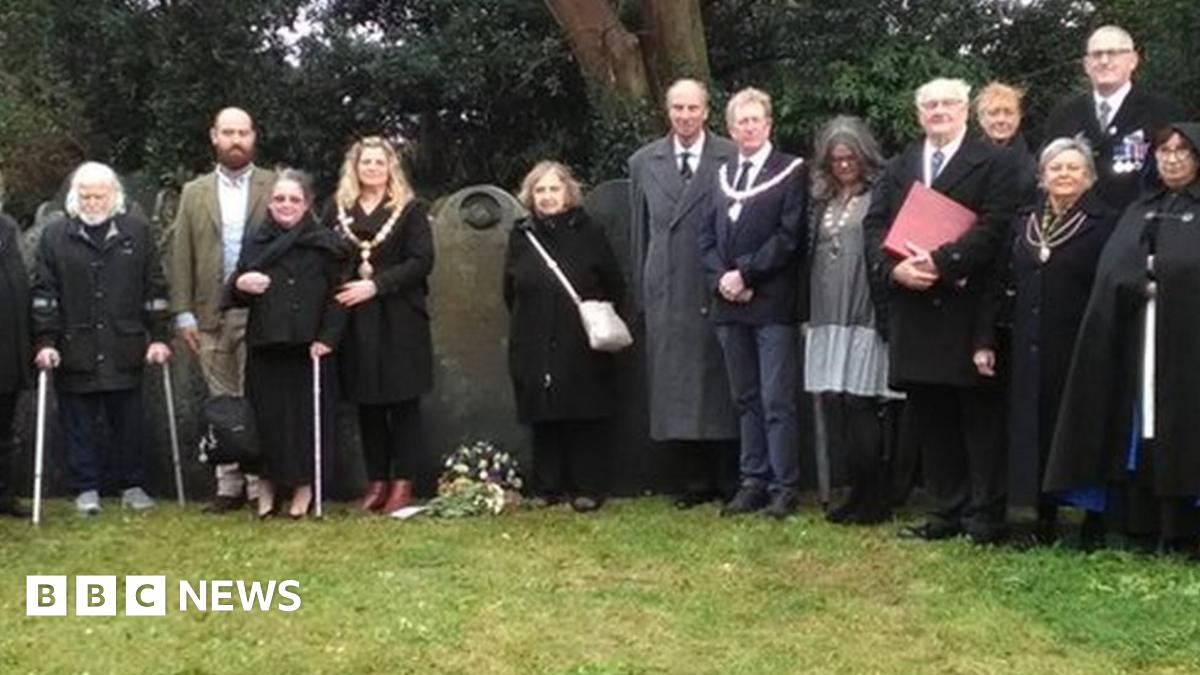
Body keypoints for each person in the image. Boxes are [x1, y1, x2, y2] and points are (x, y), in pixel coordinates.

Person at [862, 78, 1017, 544]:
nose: (939, 111)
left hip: (970, 310)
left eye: (948, 103)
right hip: (915, 309)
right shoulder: (898, 167)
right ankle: (945, 511)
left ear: (966, 110)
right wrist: (896, 271)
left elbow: (997, 227)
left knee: (979, 417)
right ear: (918, 114)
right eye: (929, 105)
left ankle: (983, 516)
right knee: (932, 417)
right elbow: (875, 225)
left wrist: (942, 262)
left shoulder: (996, 163)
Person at [1044, 123, 1200, 555]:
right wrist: (1137, 281)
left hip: (1187, 344)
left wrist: (1170, 280)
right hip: (1137, 338)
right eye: (1165, 151)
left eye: (1182, 151)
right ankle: (1138, 523)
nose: (1172, 159)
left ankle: (1185, 527)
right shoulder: (1139, 209)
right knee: (1139, 424)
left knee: (1183, 424)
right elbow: (1112, 269)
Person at [31, 162, 171, 515]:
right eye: (85, 195)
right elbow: (44, 294)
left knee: (129, 421)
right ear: (75, 197)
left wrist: (158, 335)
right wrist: (46, 341)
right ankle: (85, 488)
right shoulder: (55, 236)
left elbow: (154, 289)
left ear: (114, 197)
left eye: (99, 195)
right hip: (74, 345)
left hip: (124, 344)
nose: (92, 202)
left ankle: (133, 485)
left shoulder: (136, 233)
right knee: (77, 422)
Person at [628, 78, 739, 509]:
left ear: (707, 111)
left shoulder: (730, 155)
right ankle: (693, 481)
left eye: (693, 108)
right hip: (668, 286)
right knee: (675, 385)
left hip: (713, 281)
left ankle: (728, 476)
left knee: (720, 381)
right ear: (667, 111)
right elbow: (640, 233)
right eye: (677, 108)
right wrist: (643, 294)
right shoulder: (643, 162)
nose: (685, 116)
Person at [698, 87, 808, 519]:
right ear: (730, 128)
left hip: (771, 304)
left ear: (768, 125)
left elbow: (789, 236)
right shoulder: (722, 174)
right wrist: (722, 279)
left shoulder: (789, 170)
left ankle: (784, 486)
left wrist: (745, 273)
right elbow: (706, 237)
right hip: (729, 305)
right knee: (744, 398)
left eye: (755, 120)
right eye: (740, 121)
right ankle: (753, 481)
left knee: (776, 398)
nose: (748, 127)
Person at [1003, 137, 1118, 544]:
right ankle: (1041, 516)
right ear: (1042, 176)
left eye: (1073, 168)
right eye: (1056, 168)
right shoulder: (1024, 220)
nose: (1064, 174)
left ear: (1088, 177)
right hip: (1032, 343)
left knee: (1082, 427)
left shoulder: (1105, 223)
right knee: (1037, 429)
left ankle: (1093, 522)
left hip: (1081, 343)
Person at [167, 106, 275, 513]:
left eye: (243, 132)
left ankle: (255, 483)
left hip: (259, 313)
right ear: (214, 136)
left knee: (255, 398)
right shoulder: (195, 192)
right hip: (208, 315)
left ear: (253, 137)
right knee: (222, 401)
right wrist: (182, 312)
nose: (235, 140)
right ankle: (226, 484)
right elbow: (181, 255)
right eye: (227, 132)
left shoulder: (273, 185)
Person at [503, 161, 625, 512]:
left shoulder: (590, 231)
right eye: (540, 190)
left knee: (582, 411)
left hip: (580, 336)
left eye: (554, 189)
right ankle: (547, 486)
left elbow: (613, 282)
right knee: (544, 412)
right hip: (534, 334)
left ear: (567, 192)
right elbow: (509, 288)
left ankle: (587, 487)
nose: (547, 197)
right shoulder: (522, 234)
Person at [231, 170, 349, 520]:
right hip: (267, 344)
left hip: (310, 347)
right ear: (270, 204)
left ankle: (303, 490)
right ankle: (267, 489)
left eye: (294, 199)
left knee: (305, 423)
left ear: (307, 205)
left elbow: (338, 296)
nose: (286, 205)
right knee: (267, 421)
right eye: (280, 199)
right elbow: (235, 288)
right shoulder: (256, 241)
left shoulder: (327, 244)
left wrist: (328, 338)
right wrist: (242, 284)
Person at [325, 137, 434, 514]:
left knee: (402, 404)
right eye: (365, 162)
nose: (372, 168)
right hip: (357, 322)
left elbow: (422, 260)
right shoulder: (338, 210)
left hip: (400, 318)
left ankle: (403, 483)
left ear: (391, 168)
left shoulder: (410, 210)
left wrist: (376, 285)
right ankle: (377, 482)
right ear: (354, 168)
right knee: (367, 404)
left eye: (379, 162)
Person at [804, 115, 900, 525]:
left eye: (850, 157)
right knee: (837, 404)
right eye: (836, 158)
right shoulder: (820, 199)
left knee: (862, 405)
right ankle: (853, 493)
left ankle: (874, 497)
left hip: (864, 309)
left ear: (864, 157)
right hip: (826, 313)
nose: (844, 165)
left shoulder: (881, 195)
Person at [1043, 25, 1185, 210]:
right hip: (1078, 228)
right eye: (1096, 54)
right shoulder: (1063, 114)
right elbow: (1047, 173)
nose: (1104, 60)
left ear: (1133, 60)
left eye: (1113, 53)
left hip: (1139, 226)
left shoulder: (1162, 111)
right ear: (1086, 65)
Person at [0, 210, 32, 516]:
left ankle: (4, 495)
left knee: (4, 429)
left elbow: (19, 286)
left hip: (6, 352)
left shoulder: (8, 227)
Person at [975, 82, 1038, 209]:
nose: (1001, 120)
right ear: (981, 119)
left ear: (1019, 117)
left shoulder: (1033, 166)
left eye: (1008, 113)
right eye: (993, 113)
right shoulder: (966, 158)